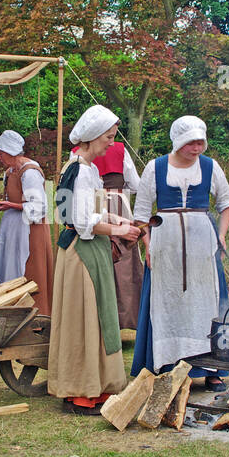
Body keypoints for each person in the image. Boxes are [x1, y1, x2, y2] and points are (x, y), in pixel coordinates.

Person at [130, 116, 229, 388]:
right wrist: (147, 245)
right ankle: (167, 363)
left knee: (208, 302)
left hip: (203, 245)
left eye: (201, 142)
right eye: (192, 143)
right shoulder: (156, 168)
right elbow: (141, 214)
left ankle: (215, 368)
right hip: (166, 244)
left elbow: (227, 203)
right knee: (168, 302)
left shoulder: (211, 168)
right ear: (179, 141)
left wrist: (221, 235)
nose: (197, 148)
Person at [48, 105, 140, 413]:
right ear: (91, 137)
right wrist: (120, 230)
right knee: (83, 320)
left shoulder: (87, 168)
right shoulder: (77, 169)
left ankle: (96, 386)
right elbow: (80, 221)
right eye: (108, 138)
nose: (111, 144)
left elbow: (91, 211)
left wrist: (113, 217)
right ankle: (80, 391)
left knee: (98, 318)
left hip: (91, 250)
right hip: (80, 253)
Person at [0, 129, 53, 315]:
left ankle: (35, 316)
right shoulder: (10, 171)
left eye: (1, 153)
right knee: (7, 267)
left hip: (29, 231)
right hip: (11, 228)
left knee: (29, 271)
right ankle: (7, 311)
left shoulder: (30, 172)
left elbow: (40, 207)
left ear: (10, 152)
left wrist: (10, 204)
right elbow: (16, 201)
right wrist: (0, 206)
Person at [94, 139, 143, 328]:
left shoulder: (76, 153)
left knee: (100, 256)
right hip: (117, 204)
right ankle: (124, 318)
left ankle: (101, 321)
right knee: (124, 263)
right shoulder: (120, 149)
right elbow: (136, 184)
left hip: (94, 201)